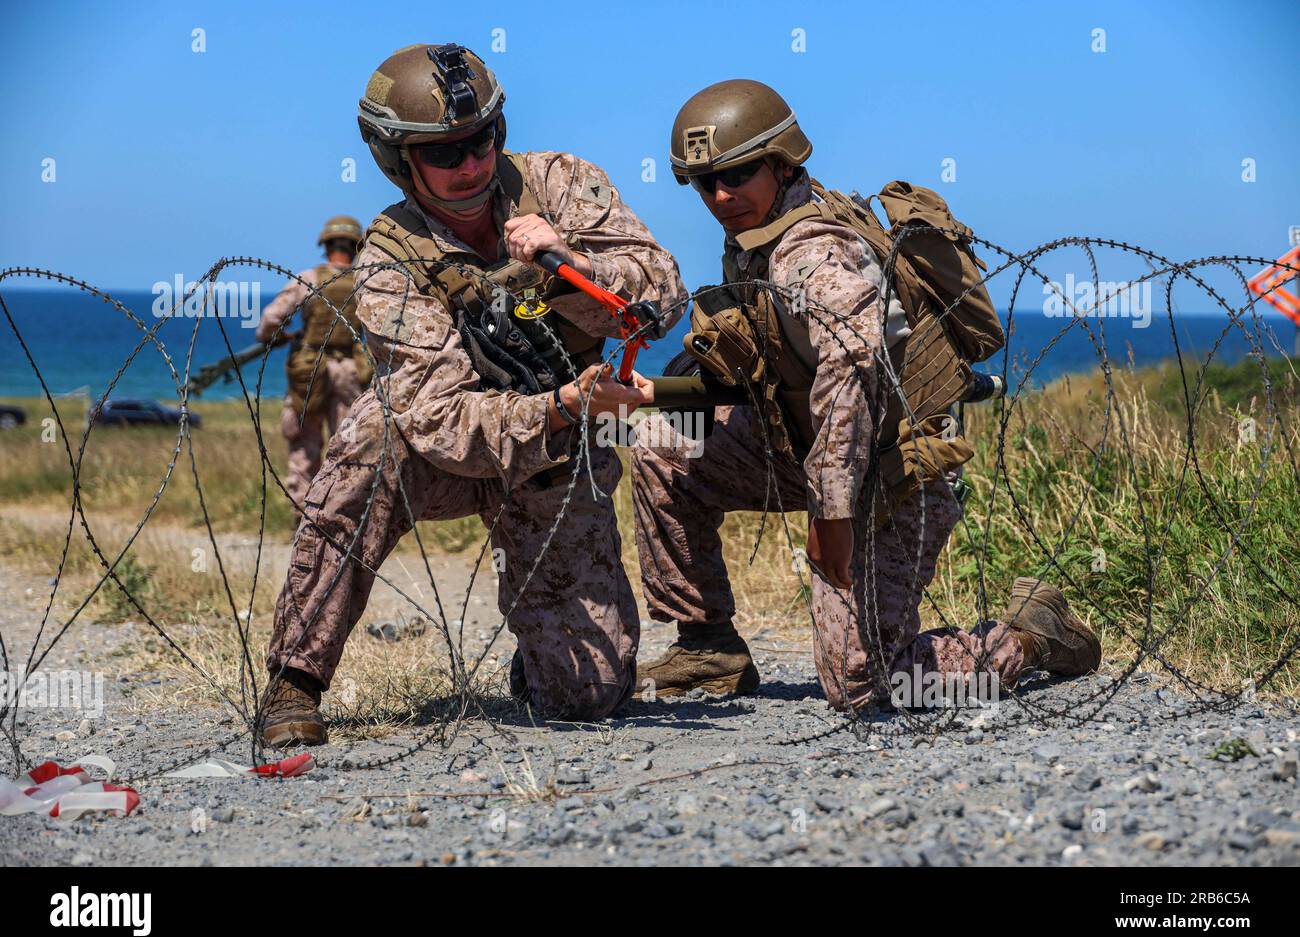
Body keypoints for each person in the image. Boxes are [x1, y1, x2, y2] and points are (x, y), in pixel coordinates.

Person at [259, 43, 686, 746]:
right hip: (456, 448)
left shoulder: (562, 183)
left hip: (555, 450)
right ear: (398, 159)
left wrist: (576, 265)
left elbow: (661, 294)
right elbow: (440, 416)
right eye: (445, 152)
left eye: (480, 141)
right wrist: (562, 405)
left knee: (591, 696)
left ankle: (543, 651)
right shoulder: (393, 258)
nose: (471, 164)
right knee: (370, 437)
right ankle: (295, 678)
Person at [631, 80, 1101, 710]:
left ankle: (1031, 635)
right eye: (703, 180)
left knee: (865, 682)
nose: (720, 195)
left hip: (889, 468)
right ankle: (708, 644)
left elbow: (847, 382)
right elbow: (773, 375)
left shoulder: (815, 255)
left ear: (781, 161)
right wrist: (653, 393)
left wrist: (831, 518)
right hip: (806, 447)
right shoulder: (755, 237)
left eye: (738, 173)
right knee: (662, 445)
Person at [255, 216, 372, 512]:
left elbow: (269, 321)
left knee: (305, 452)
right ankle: (341, 514)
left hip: (310, 371)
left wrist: (277, 337)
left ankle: (304, 520)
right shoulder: (365, 281)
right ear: (357, 245)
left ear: (326, 245)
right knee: (348, 450)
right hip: (350, 372)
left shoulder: (310, 278)